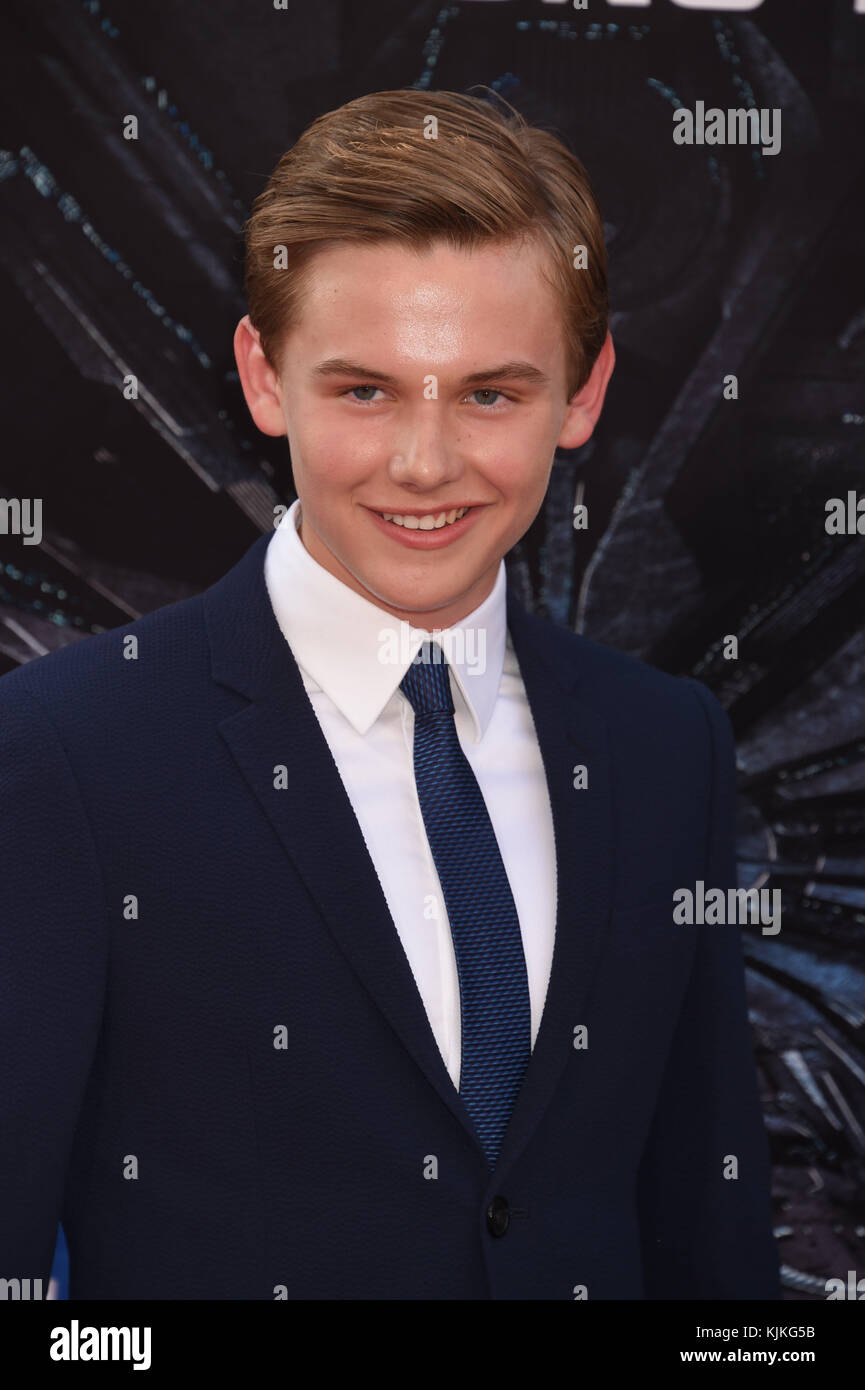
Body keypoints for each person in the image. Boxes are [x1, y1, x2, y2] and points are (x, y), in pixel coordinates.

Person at [0, 88, 779, 1299]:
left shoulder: (664, 743)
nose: (424, 463)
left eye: (489, 393)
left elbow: (707, 1227)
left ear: (583, 393)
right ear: (264, 376)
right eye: (364, 390)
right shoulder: (66, 749)